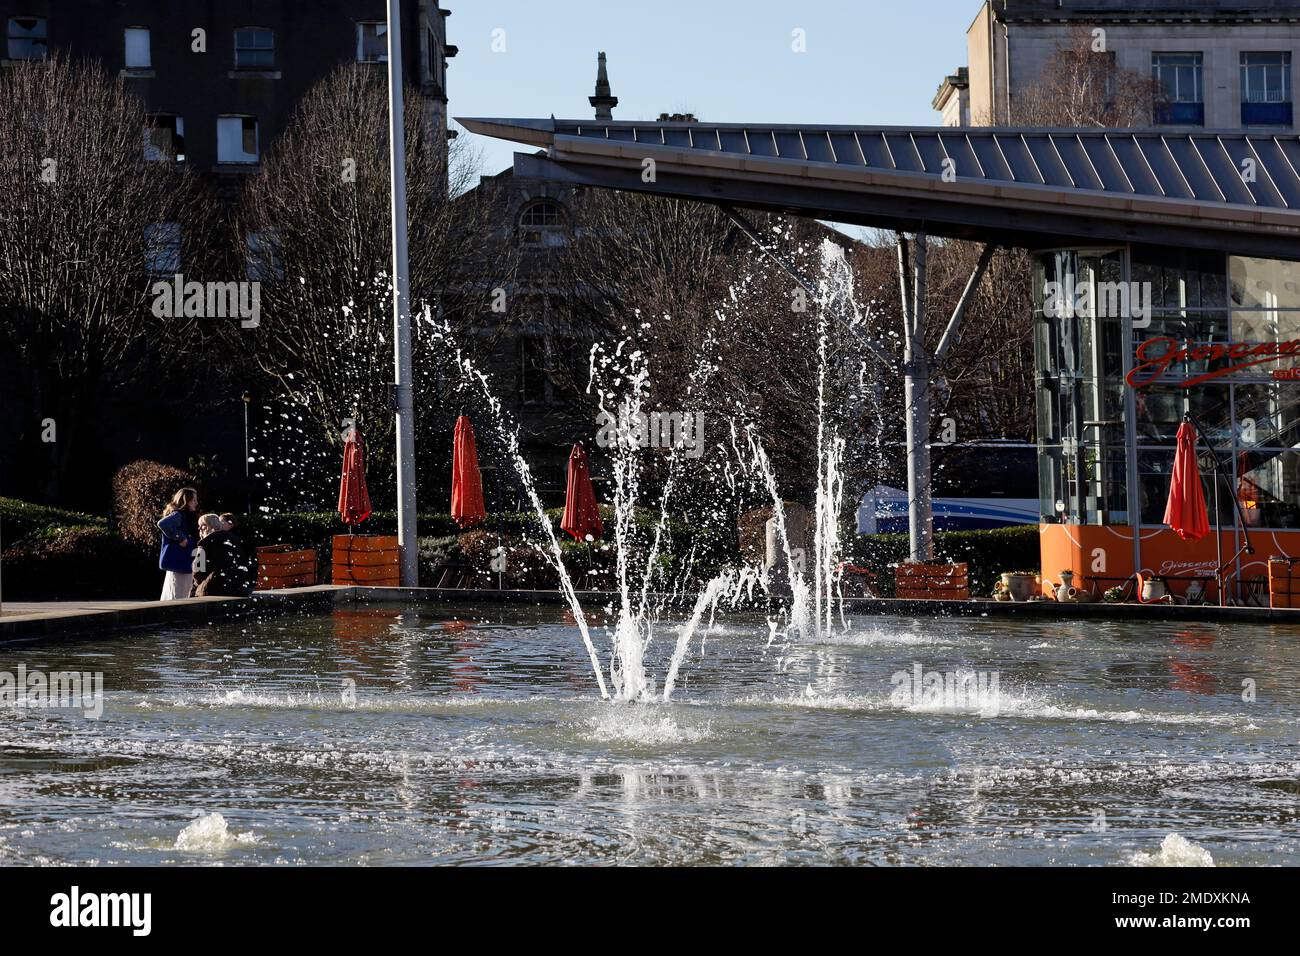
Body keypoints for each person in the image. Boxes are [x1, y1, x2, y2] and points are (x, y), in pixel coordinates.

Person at [193, 513, 250, 597]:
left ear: (207, 527)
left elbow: (198, 571)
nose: (199, 529)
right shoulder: (234, 540)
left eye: (201, 525)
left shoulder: (205, 543)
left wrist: (199, 586)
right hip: (239, 588)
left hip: (215, 589)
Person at [157, 488, 200, 600]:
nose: (196, 503)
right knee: (178, 595)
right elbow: (163, 523)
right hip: (180, 564)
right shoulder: (179, 514)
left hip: (183, 563)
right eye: (194, 500)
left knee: (180, 593)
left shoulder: (186, 515)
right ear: (186, 501)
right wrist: (180, 538)